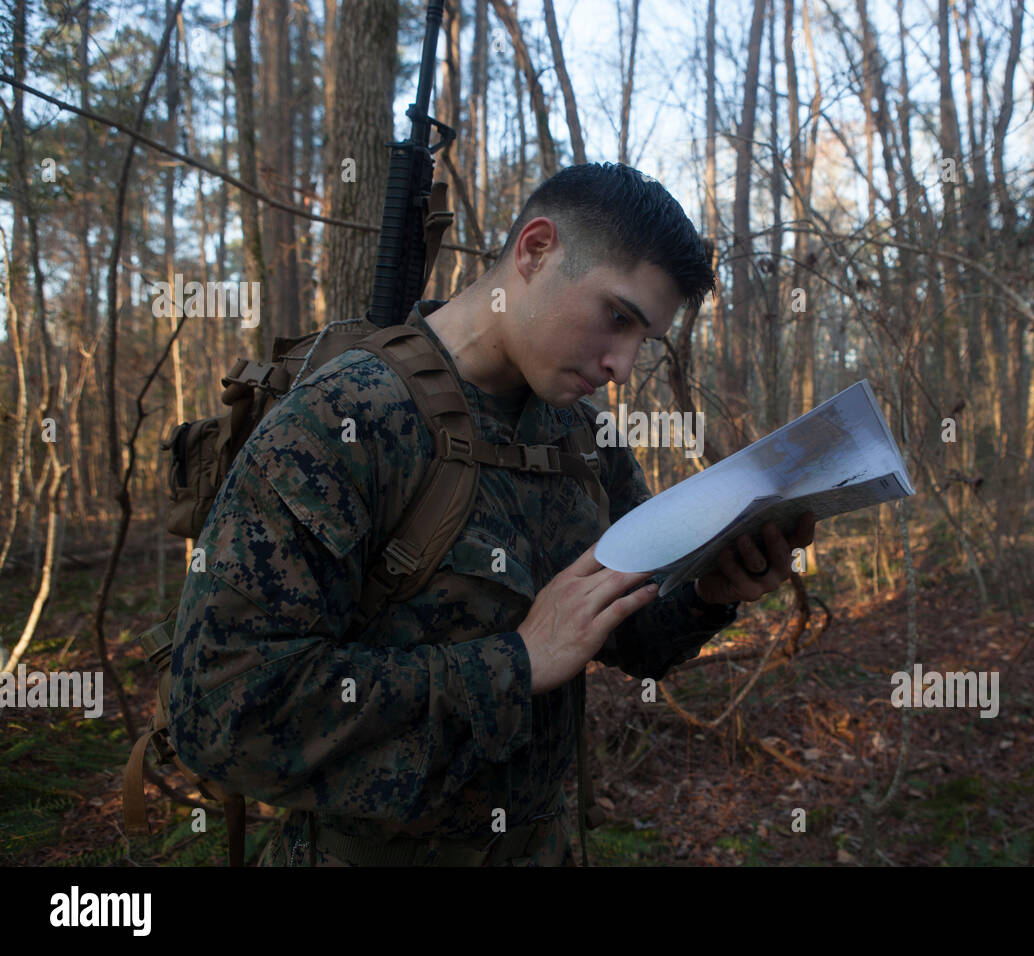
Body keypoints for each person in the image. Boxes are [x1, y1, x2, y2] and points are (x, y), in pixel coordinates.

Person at [169, 162, 816, 866]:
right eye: (618, 317)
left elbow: (624, 636)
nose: (623, 366)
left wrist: (704, 595)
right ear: (535, 251)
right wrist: (515, 663)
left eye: (644, 340)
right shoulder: (345, 417)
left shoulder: (585, 441)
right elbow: (224, 712)